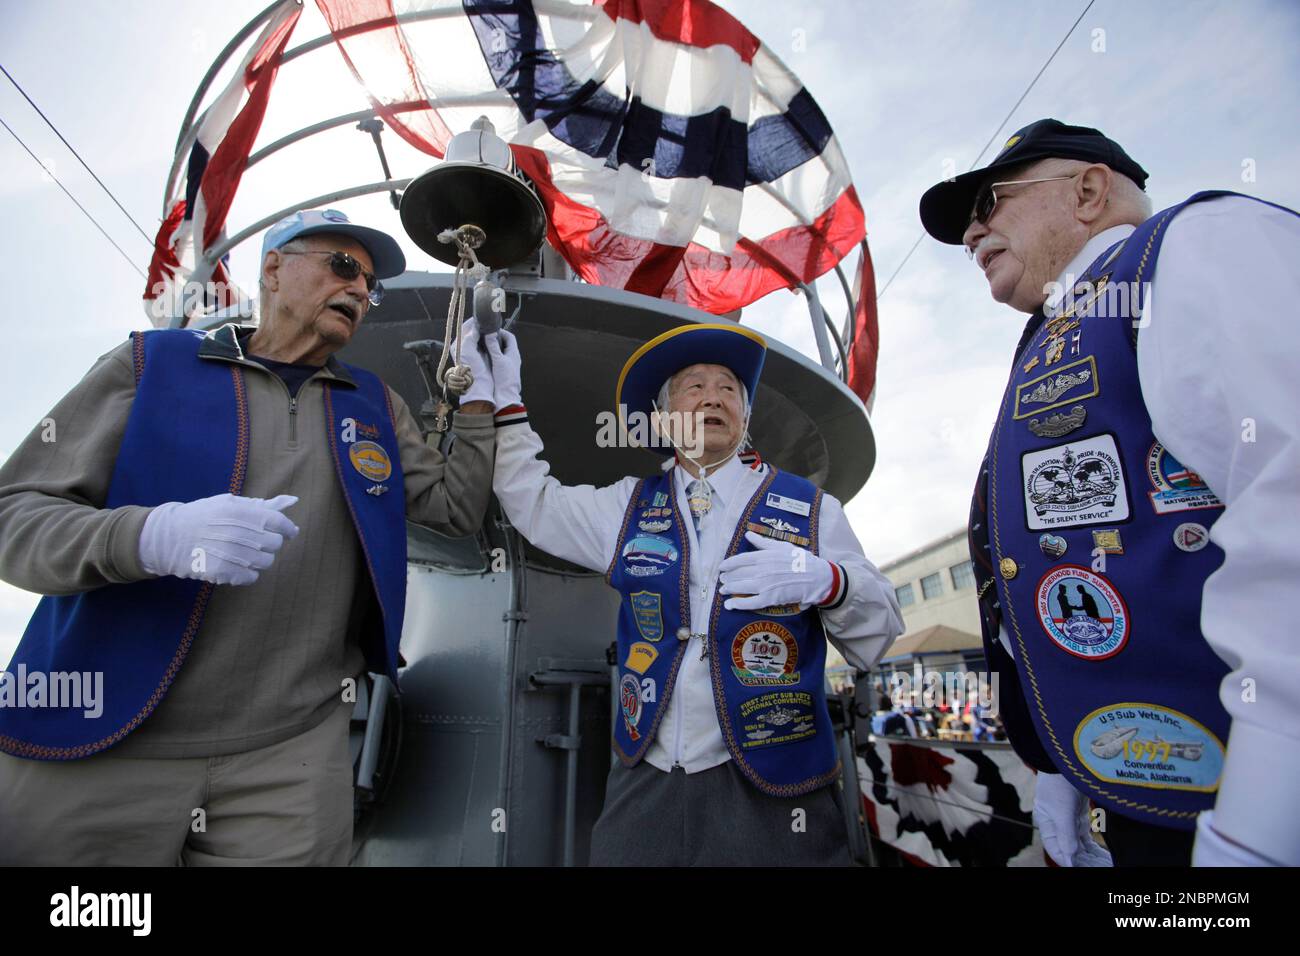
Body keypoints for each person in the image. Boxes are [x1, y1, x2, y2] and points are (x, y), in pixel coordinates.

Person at [0, 208, 496, 865]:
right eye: (343, 267)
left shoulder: (374, 404)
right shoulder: (151, 366)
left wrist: (488, 406)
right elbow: (15, 514)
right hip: (104, 743)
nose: (358, 291)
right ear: (272, 268)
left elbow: (455, 509)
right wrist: (149, 537)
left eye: (369, 285)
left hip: (289, 757)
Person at [919, 118, 1300, 867]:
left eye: (988, 203)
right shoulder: (1059, 328)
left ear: (1088, 189)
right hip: (1141, 788)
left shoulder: (1198, 246)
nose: (970, 233)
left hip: (1244, 809)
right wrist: (1061, 754)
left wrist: (1264, 823)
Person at [478, 320, 904, 865]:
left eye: (729, 388)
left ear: (745, 417)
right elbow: (531, 502)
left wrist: (831, 581)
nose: (714, 398)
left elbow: (880, 630)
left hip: (777, 788)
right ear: (663, 417)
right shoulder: (627, 505)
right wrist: (507, 400)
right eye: (694, 387)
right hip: (647, 781)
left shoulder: (811, 508)